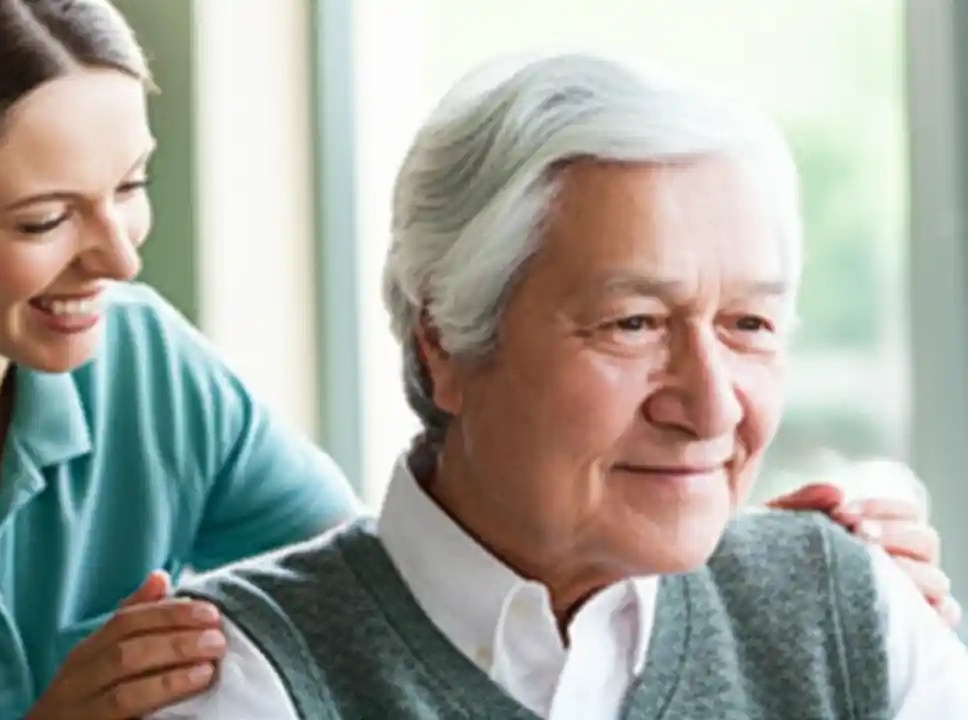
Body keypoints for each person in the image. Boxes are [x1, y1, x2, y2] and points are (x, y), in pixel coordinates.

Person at [0, 3, 950, 718]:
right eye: (42, 218)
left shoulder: (139, 369)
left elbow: (410, 576)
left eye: (131, 187)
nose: (121, 256)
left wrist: (746, 550)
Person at [156, 53, 968, 719]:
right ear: (444, 342)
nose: (712, 406)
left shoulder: (846, 610)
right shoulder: (240, 681)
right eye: (634, 324)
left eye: (747, 325)